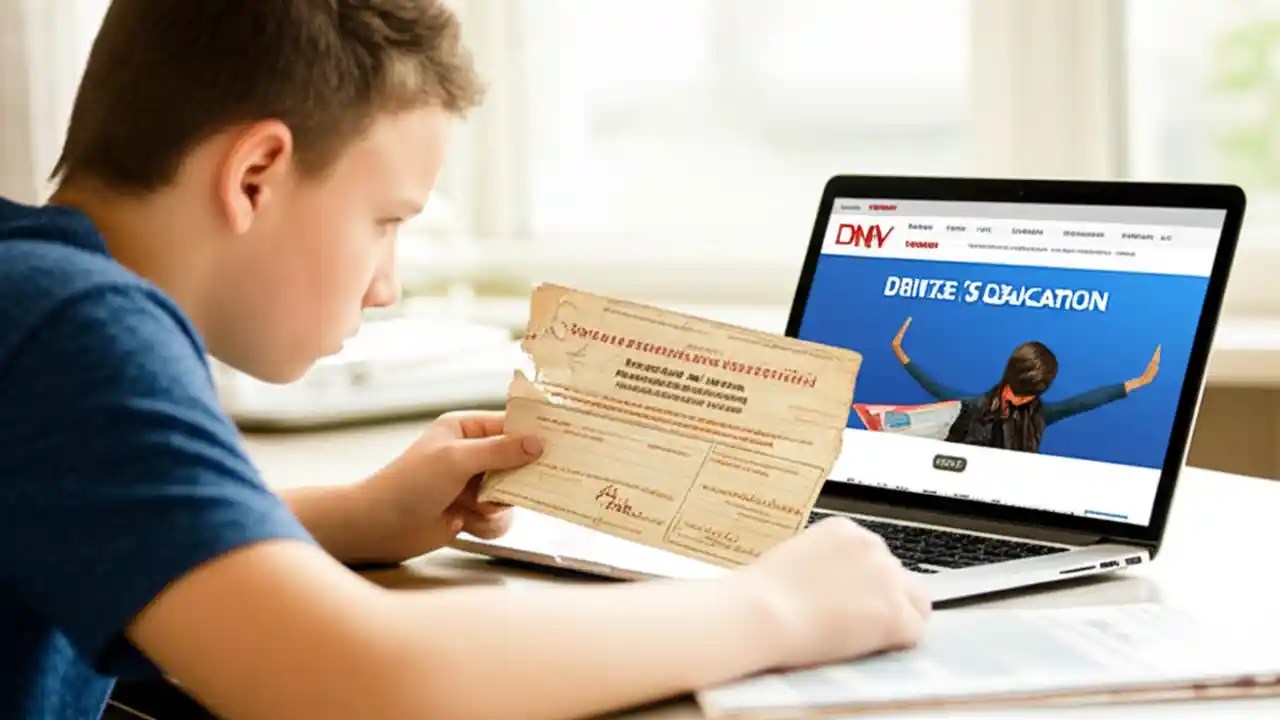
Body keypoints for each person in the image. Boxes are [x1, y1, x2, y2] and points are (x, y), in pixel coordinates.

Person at [0, 3, 931, 719]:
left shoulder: (29, 292)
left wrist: (351, 516)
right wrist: (776, 609)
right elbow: (358, 682)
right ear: (255, 177)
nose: (385, 288)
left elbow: (84, 520)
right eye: (387, 222)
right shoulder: (77, 327)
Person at [890, 317, 1160, 453]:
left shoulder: (1040, 416)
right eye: (1016, 392)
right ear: (1008, 378)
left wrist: (1137, 382)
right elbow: (935, 388)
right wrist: (902, 356)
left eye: (1027, 396)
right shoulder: (971, 407)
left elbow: (1084, 401)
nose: (1019, 400)